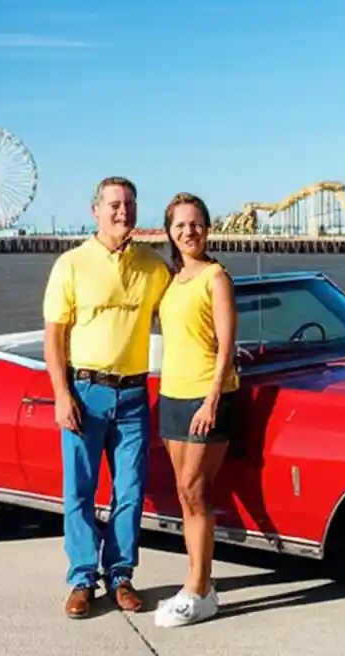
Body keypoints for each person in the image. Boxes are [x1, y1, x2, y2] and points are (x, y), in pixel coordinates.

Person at [43, 176, 171, 619]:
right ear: (94, 209)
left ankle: (120, 575)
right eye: (115, 204)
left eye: (130, 204)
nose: (123, 212)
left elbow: (185, 303)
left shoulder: (154, 267)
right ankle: (82, 579)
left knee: (130, 491)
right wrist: (62, 395)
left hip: (134, 395)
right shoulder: (71, 265)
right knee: (78, 490)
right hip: (85, 392)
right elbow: (55, 337)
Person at [151, 192, 239, 628]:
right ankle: (199, 581)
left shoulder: (216, 277)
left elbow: (227, 346)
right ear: (169, 232)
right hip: (172, 395)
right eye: (180, 225)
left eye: (196, 223)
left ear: (208, 227)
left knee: (195, 489)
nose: (189, 231)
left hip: (208, 397)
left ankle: (199, 590)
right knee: (186, 497)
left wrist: (212, 399)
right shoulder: (169, 279)